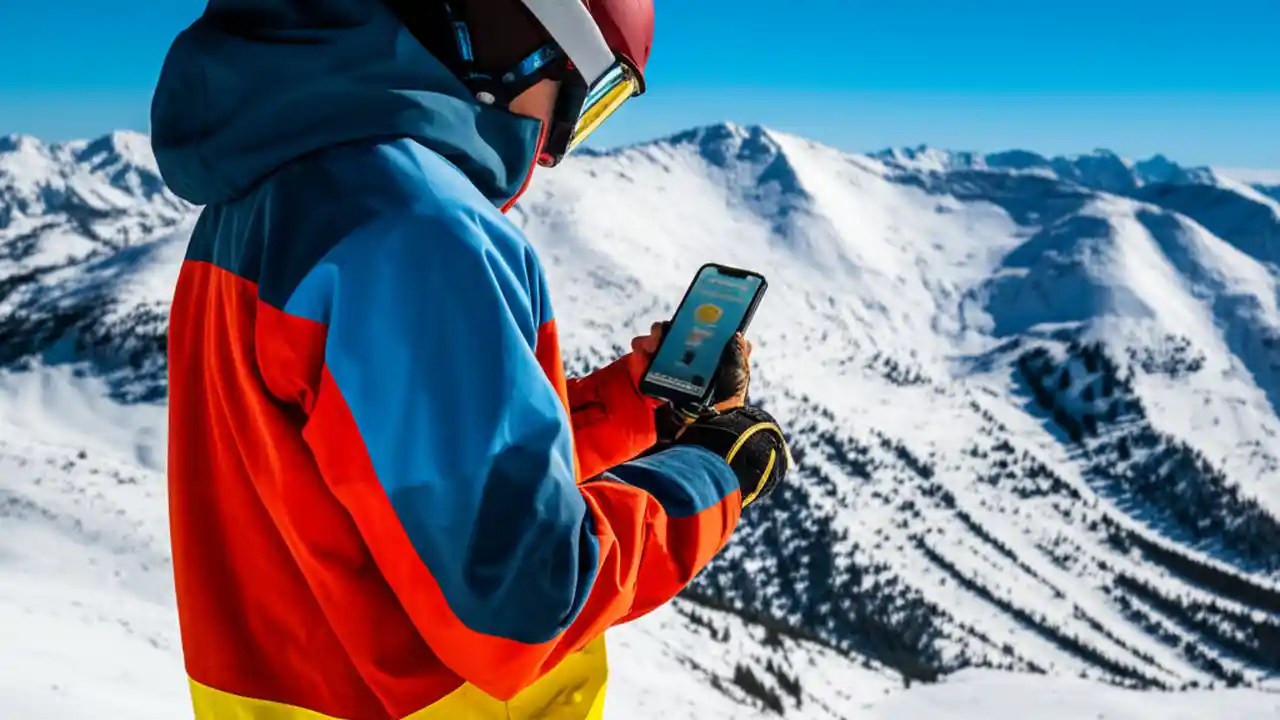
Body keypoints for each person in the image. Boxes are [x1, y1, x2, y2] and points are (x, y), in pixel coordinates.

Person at [154, 0, 790, 718]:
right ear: (513, 34)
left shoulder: (269, 201)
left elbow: (407, 475)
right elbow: (526, 598)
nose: (553, 146)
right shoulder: (417, 231)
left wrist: (630, 407)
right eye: (587, 94)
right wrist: (711, 471)